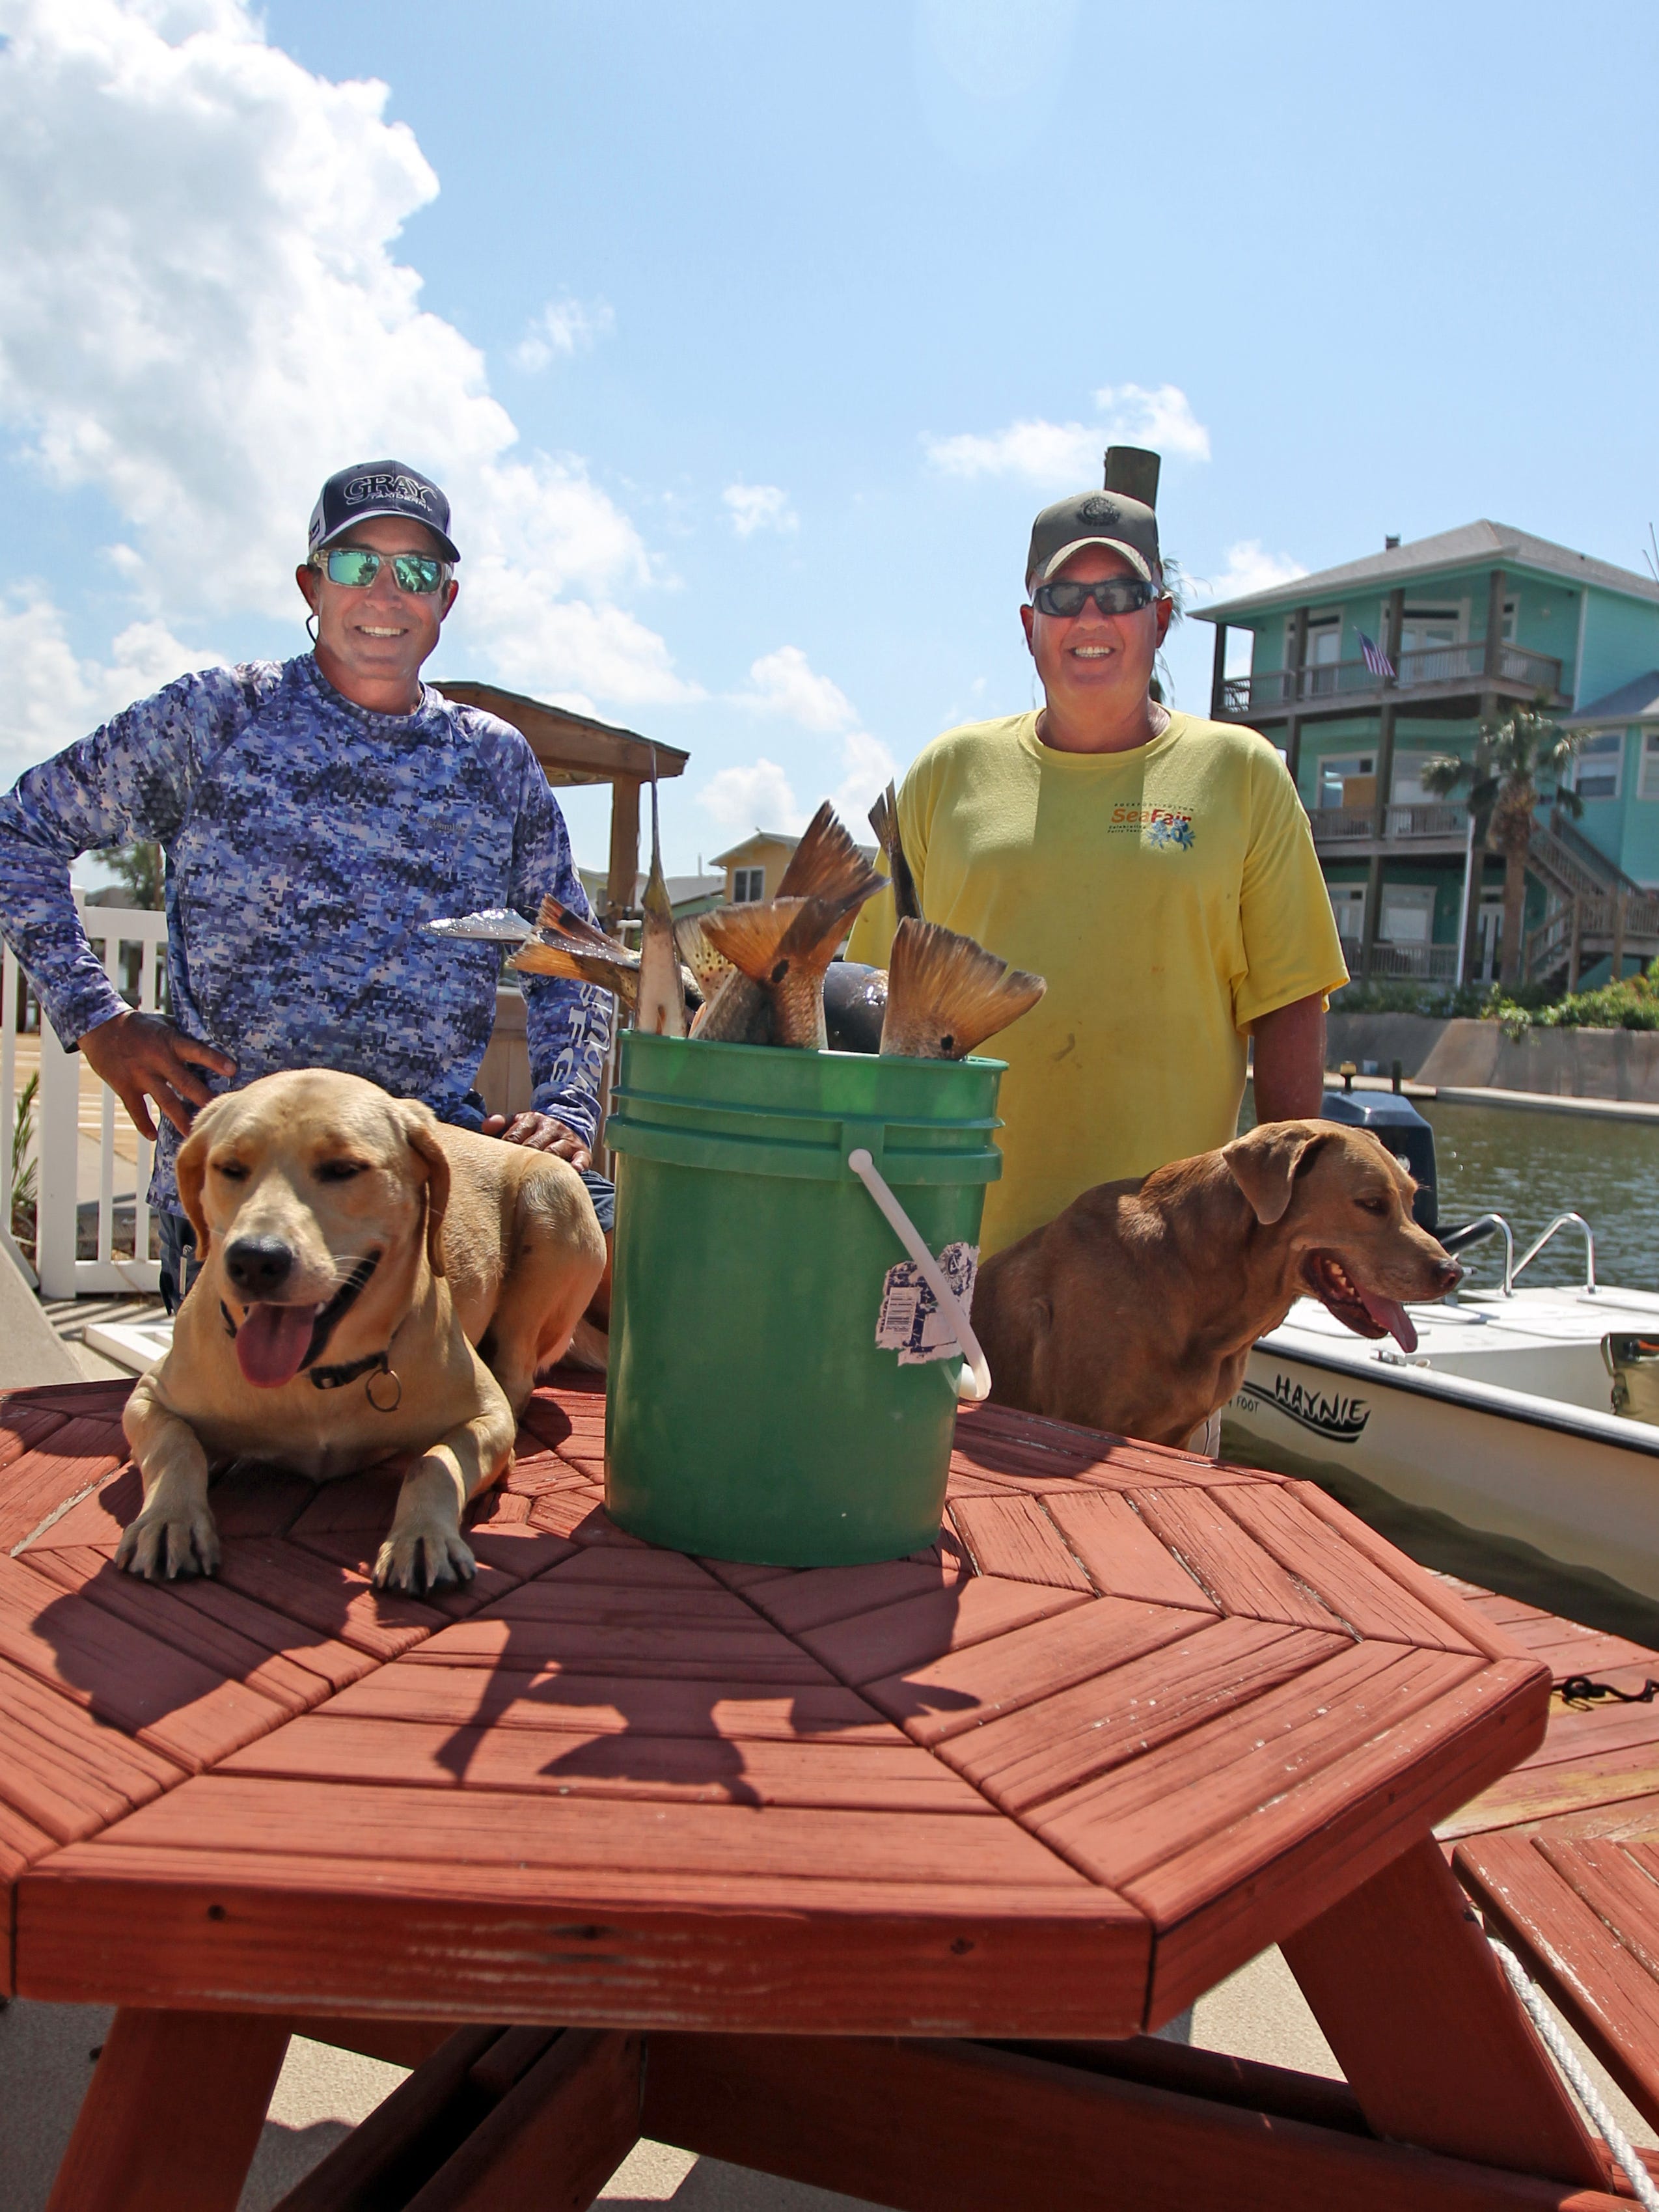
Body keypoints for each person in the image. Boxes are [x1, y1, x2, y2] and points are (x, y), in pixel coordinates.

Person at [0, 459, 614, 1311]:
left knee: (651, 1277)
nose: (386, 593)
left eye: (417, 571)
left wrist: (569, 1105)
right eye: (359, 564)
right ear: (313, 584)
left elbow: (570, 946)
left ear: (447, 599)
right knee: (268, 1435)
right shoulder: (214, 717)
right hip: (247, 1196)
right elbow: (20, 829)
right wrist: (96, 1020)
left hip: (425, 1178)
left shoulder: (492, 759)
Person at [847, 484, 1347, 1261]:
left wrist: (1285, 1227)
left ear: (1159, 617)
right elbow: (869, 997)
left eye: (1118, 594)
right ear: (1028, 625)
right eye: (1062, 596)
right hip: (943, 1241)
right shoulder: (945, 772)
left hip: (1164, 1267)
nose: (1089, 618)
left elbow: (1289, 1004)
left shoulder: (1241, 774)